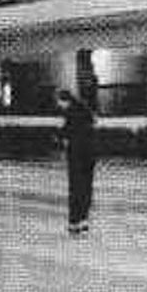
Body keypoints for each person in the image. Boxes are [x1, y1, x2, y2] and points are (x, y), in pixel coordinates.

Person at [55, 90, 96, 236]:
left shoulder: (70, 113)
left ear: (64, 100)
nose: (58, 105)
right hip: (89, 155)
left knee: (75, 189)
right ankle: (84, 221)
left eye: (59, 102)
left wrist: (59, 136)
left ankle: (74, 223)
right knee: (86, 188)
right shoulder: (86, 111)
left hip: (76, 155)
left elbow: (66, 133)